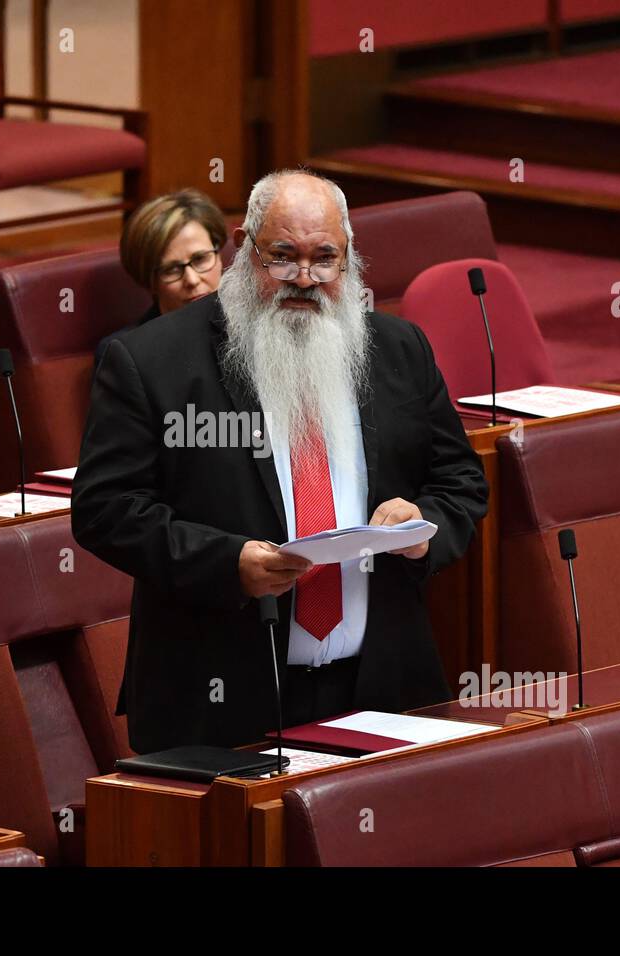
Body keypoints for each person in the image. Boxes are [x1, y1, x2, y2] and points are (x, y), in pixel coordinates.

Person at [72, 170, 489, 754]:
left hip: (383, 689)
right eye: (283, 257)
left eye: (325, 259)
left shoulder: (398, 350)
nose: (304, 279)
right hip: (220, 699)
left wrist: (424, 527)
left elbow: (463, 481)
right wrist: (226, 562)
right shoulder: (152, 361)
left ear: (348, 260)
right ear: (243, 247)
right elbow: (105, 510)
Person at [92, 188, 227, 370]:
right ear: (151, 281)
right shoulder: (125, 355)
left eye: (200, 259)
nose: (192, 280)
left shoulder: (254, 325)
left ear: (218, 257)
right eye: (171, 269)